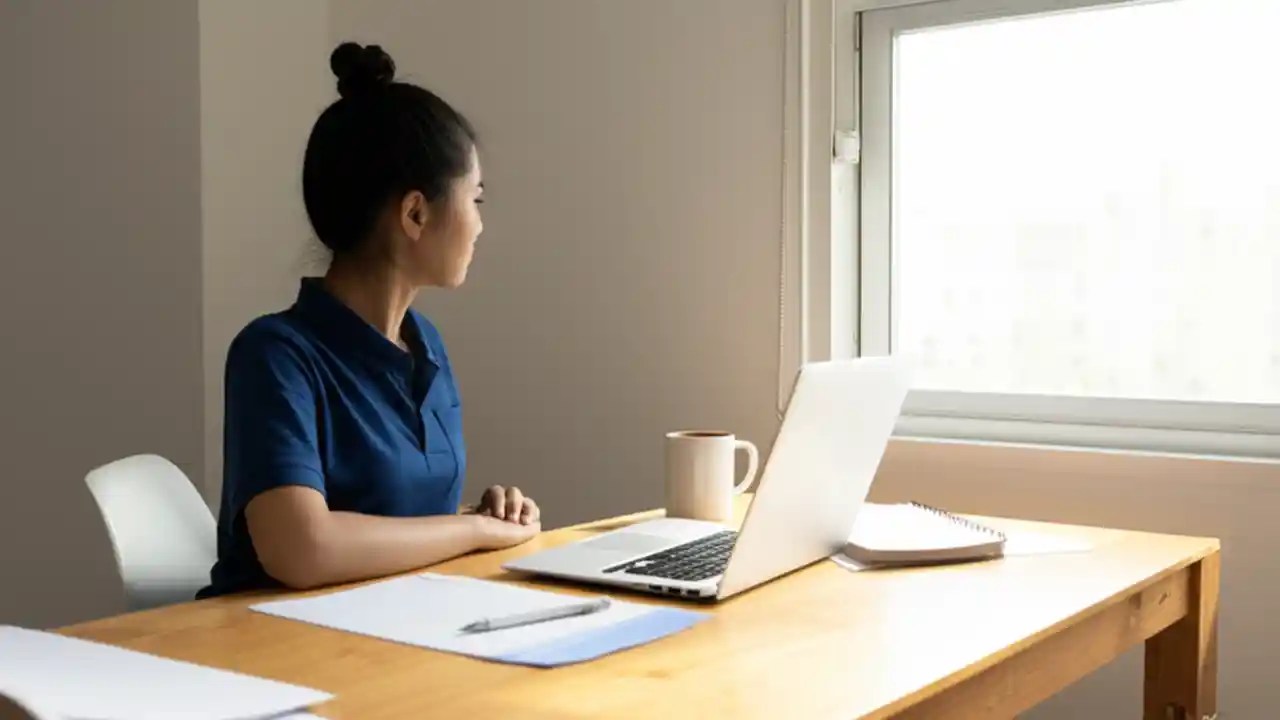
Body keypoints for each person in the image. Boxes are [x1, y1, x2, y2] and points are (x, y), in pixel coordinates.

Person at [199, 42, 540, 598]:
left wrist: (484, 515)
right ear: (415, 213)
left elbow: (391, 517)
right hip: (271, 656)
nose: (479, 225)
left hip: (399, 631)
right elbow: (301, 549)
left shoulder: (424, 345)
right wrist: (473, 529)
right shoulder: (275, 355)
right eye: (474, 200)